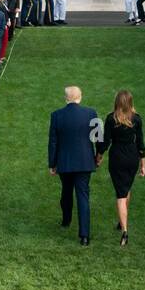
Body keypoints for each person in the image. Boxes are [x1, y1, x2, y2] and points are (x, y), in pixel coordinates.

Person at [48, 85, 99, 246]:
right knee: (83, 196)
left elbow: (53, 142)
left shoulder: (56, 115)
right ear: (80, 97)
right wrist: (98, 155)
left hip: (65, 162)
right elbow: (99, 137)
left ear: (66, 98)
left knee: (66, 191)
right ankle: (84, 236)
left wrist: (52, 163)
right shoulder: (91, 113)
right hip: (85, 162)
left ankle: (66, 220)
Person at [95, 89, 145, 246]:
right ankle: (121, 221)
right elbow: (141, 143)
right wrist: (143, 164)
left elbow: (106, 142)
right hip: (132, 158)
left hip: (117, 158)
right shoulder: (137, 119)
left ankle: (124, 231)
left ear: (117, 101)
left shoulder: (111, 119)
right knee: (126, 189)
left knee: (120, 195)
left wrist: (98, 156)